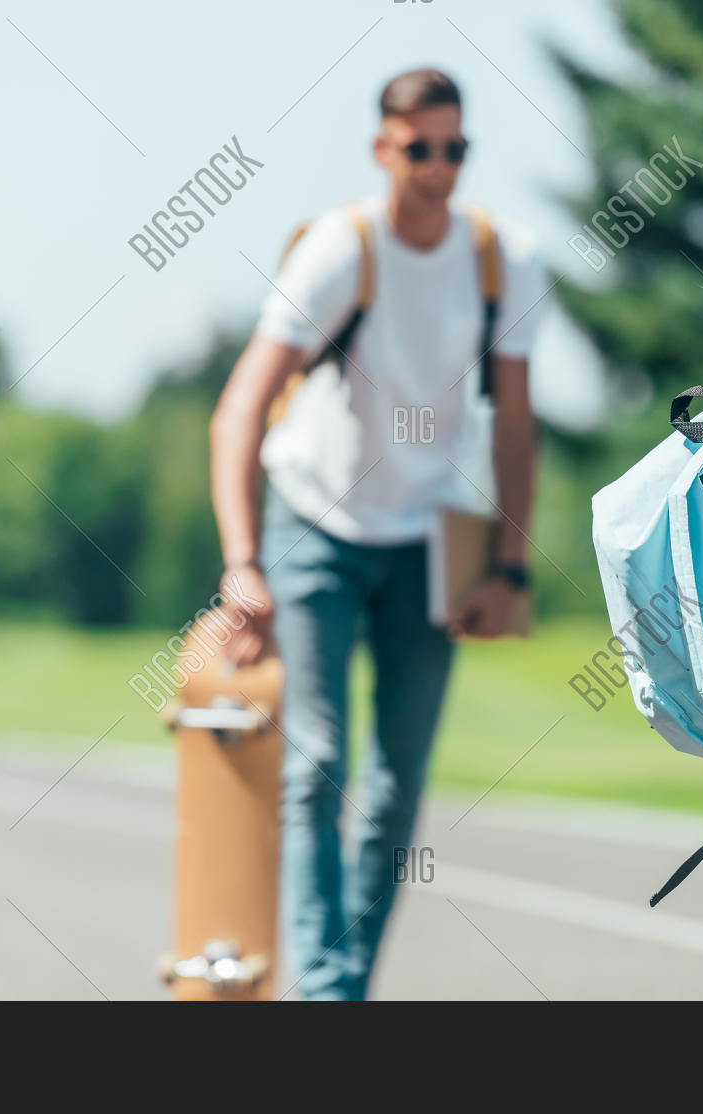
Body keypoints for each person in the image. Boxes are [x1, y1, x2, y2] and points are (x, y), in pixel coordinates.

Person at [207, 68, 547, 1000]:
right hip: (316, 516)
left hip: (437, 531)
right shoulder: (338, 249)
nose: (439, 167)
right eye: (420, 148)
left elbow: (515, 425)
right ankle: (327, 989)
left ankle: (342, 982)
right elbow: (238, 411)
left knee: (396, 785)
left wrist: (510, 564)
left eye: (456, 149)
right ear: (382, 148)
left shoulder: (504, 258)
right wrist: (241, 563)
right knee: (317, 761)